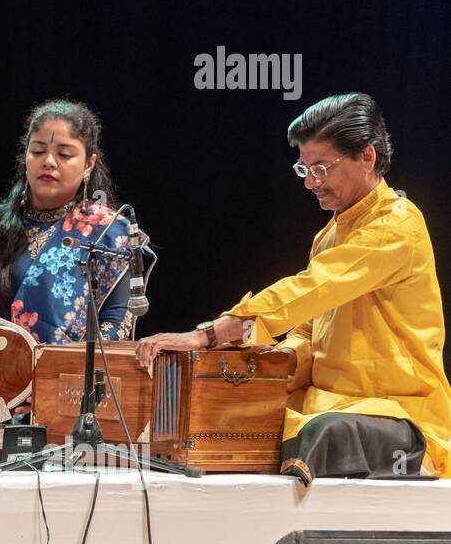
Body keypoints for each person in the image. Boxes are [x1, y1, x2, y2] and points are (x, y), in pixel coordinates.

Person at [136, 93, 451, 483]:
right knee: (238, 414)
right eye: (304, 169)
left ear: (367, 157)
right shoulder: (329, 235)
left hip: (396, 411)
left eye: (321, 168)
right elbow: (310, 330)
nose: (311, 183)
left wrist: (211, 335)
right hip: (327, 402)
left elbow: (313, 288)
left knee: (325, 433)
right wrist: (271, 364)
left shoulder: (397, 225)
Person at [0, 99, 155, 353]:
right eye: (38, 151)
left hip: (66, 380)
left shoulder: (111, 234)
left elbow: (115, 327)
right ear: (25, 156)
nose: (49, 161)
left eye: (64, 154)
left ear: (88, 164)